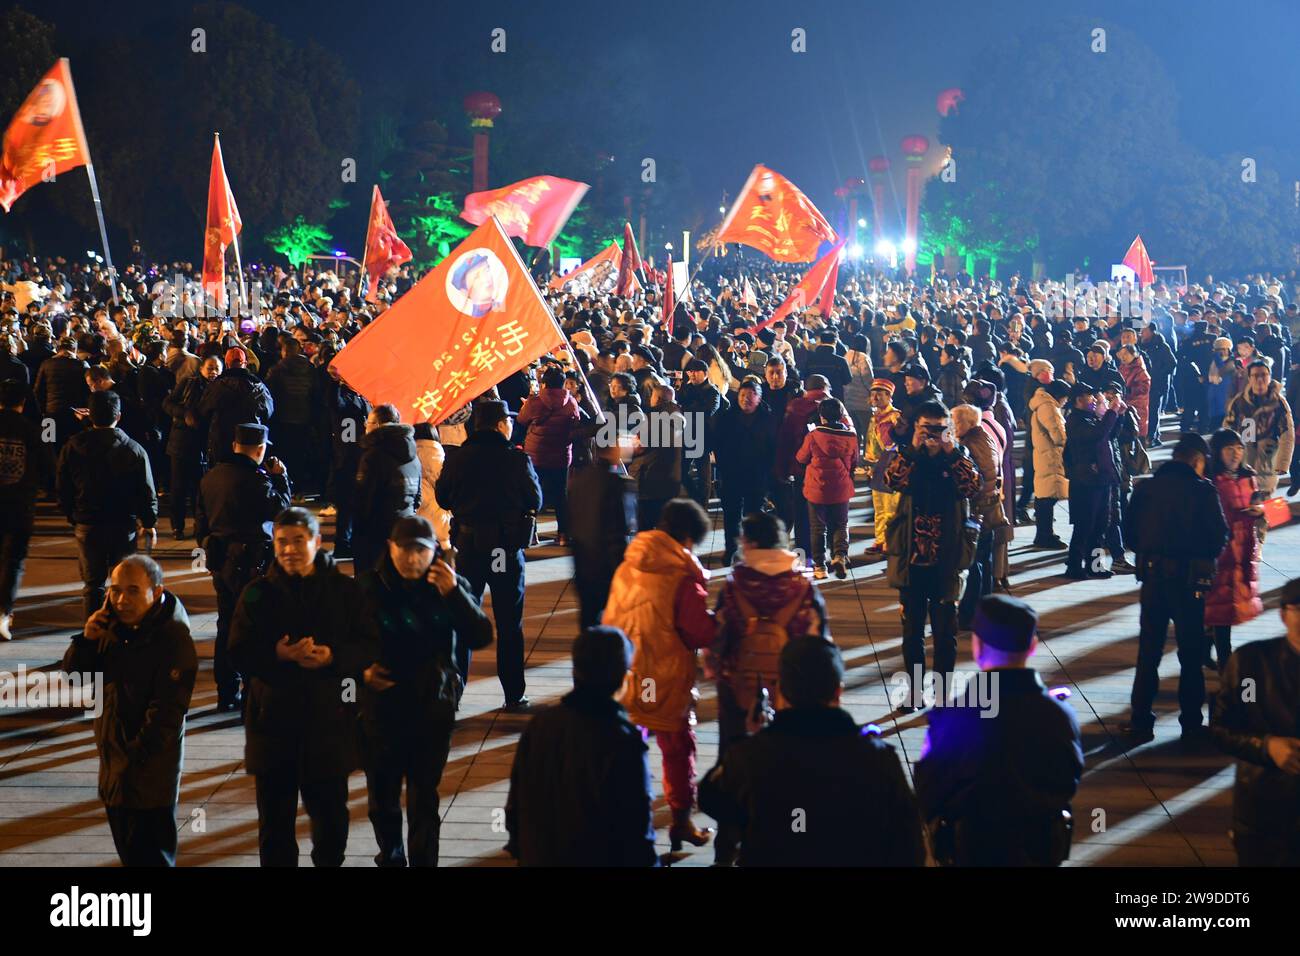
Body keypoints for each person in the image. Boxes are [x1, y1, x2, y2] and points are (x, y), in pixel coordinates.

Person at [228, 507, 379, 867]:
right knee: (275, 827)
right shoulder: (258, 593)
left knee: (330, 821)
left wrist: (332, 657)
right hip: (272, 725)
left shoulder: (345, 590)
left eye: (298, 541)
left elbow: (370, 645)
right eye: (282, 542)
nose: (290, 549)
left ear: (317, 542)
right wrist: (275, 654)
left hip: (328, 723)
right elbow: (236, 651)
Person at [699, 636, 925, 867]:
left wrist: (746, 739)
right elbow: (908, 844)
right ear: (838, 692)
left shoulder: (751, 757)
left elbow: (711, 798)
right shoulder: (878, 759)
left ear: (782, 691)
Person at [357, 516, 493, 867]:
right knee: (382, 798)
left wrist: (455, 594)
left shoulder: (448, 585)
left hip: (431, 707)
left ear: (434, 551)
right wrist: (361, 672)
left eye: (422, 551)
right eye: (406, 550)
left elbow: (480, 635)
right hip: (382, 708)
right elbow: (343, 641)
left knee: (423, 797)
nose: (413, 559)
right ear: (391, 548)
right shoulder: (368, 587)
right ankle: (391, 854)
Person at [915, 594, 1084, 866]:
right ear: (1032, 646)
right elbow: (1066, 782)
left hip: (973, 847)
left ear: (977, 646)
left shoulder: (955, 715)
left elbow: (930, 791)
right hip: (1038, 849)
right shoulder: (1059, 715)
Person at [707, 511, 828, 864]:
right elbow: (821, 643)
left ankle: (726, 850)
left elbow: (718, 639)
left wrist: (716, 669)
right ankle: (786, 843)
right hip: (791, 694)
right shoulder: (803, 587)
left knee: (732, 767)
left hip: (740, 691)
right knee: (789, 771)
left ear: (751, 543)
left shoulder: (735, 585)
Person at [60, 555, 197, 866]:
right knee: (130, 854)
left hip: (148, 775)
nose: (121, 599)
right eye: (115, 590)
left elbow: (166, 714)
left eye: (133, 590)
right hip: (114, 769)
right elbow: (74, 677)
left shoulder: (172, 639)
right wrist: (86, 641)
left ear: (157, 593)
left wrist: (132, 756)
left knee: (151, 857)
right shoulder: (111, 629)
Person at [602, 498, 716, 851]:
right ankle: (680, 821)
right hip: (664, 676)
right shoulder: (681, 577)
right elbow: (700, 632)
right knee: (678, 749)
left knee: (626, 746)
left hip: (626, 672)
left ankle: (622, 816)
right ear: (686, 536)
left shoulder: (629, 564)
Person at [505, 626, 658, 867]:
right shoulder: (623, 740)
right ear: (622, 679)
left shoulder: (541, 725)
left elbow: (516, 802)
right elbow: (636, 830)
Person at [435, 400, 542, 711]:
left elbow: (443, 498)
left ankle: (455, 690)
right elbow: (535, 498)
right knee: (510, 623)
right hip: (505, 549)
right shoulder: (515, 459)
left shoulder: (458, 458)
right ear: (499, 425)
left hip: (468, 546)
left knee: (464, 616)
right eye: (507, 421)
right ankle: (513, 693)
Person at [1122, 434, 1229, 742]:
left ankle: (1141, 720)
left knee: (1149, 652)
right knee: (1191, 654)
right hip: (1190, 583)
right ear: (1197, 461)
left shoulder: (1146, 489)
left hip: (1153, 579)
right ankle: (1192, 723)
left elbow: (1128, 534)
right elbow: (1219, 537)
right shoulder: (1204, 491)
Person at [882, 400, 981, 710]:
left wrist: (952, 452)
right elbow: (891, 480)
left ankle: (941, 695)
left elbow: (972, 485)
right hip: (911, 559)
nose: (934, 436)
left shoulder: (958, 459)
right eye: (928, 429)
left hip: (947, 560)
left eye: (940, 429)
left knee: (945, 633)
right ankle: (912, 694)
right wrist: (911, 449)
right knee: (911, 633)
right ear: (916, 429)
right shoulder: (907, 457)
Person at [195, 422, 292, 712]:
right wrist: (282, 479)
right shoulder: (256, 481)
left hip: (220, 559)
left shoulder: (211, 476)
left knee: (225, 624)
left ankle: (225, 690)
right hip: (251, 561)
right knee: (253, 624)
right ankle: (250, 687)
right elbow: (282, 511)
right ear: (260, 449)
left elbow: (200, 521)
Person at [1210, 577, 1300, 866]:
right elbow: (1222, 728)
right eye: (1299, 609)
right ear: (1284, 614)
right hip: (1264, 807)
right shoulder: (1252, 662)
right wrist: (1266, 746)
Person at [56, 390, 158, 622]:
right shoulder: (133, 449)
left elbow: (62, 486)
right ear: (118, 416)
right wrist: (148, 521)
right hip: (123, 523)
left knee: (93, 583)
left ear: (90, 416)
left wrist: (72, 513)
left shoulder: (73, 446)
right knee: (122, 580)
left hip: (88, 520)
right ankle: (119, 628)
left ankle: (94, 630)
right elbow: (146, 490)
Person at [1202, 429, 1265, 670]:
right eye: (1229, 449)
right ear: (1218, 453)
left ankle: (1204, 649)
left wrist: (1260, 512)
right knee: (1221, 608)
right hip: (1220, 551)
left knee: (1226, 608)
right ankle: (1225, 661)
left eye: (1239, 448)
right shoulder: (1211, 480)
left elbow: (1258, 505)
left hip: (1244, 549)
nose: (1235, 454)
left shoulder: (1249, 476)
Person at [0, 379, 53, 640]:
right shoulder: (32, 431)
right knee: (13, 562)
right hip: (19, 505)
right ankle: (3, 613)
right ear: (23, 402)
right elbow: (47, 466)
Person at [567, 438, 637, 628]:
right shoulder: (618, 484)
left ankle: (587, 653)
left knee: (588, 616)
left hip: (583, 560)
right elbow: (622, 528)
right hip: (608, 564)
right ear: (614, 451)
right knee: (614, 619)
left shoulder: (580, 480)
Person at [713, 378, 777, 564]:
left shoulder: (767, 419)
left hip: (757, 476)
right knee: (731, 516)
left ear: (758, 398)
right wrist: (723, 468)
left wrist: (768, 472)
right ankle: (731, 549)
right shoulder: (727, 417)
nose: (746, 399)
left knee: (754, 516)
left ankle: (753, 551)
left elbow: (773, 447)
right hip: (732, 474)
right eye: (742, 395)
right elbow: (719, 444)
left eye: (751, 396)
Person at [351, 403, 421, 572]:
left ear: (378, 425)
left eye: (368, 422)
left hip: (375, 534)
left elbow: (363, 499)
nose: (365, 426)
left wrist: (358, 532)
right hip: (404, 530)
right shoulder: (413, 455)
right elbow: (418, 498)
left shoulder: (374, 455)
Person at [1061, 383, 1121, 579]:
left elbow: (1108, 435)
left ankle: (1094, 566)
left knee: (1100, 525)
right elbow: (1096, 436)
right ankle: (1075, 567)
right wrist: (1111, 413)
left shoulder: (1091, 418)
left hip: (1101, 479)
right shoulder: (1075, 421)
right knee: (1084, 526)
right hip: (1085, 481)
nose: (1094, 400)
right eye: (1090, 396)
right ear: (1079, 400)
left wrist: (1117, 415)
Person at [517, 364, 581, 545]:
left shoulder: (534, 402)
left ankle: (532, 533)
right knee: (561, 495)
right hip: (561, 455)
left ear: (544, 384)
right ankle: (563, 534)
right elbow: (576, 422)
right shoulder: (570, 402)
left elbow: (521, 420)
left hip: (535, 454)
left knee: (532, 493)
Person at [952, 404, 1005, 626]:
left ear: (969, 423)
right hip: (989, 508)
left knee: (973, 563)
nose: (952, 426)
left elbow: (975, 482)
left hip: (977, 511)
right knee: (984, 559)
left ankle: (969, 613)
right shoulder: (984, 436)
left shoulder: (970, 444)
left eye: (956, 422)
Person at [795, 397, 857, 579]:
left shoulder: (813, 436)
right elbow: (854, 462)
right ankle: (839, 555)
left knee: (817, 528)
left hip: (817, 487)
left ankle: (820, 567)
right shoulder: (851, 436)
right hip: (840, 487)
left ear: (821, 416)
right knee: (840, 524)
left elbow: (801, 457)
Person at [161, 353, 220, 539]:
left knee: (200, 489)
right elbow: (167, 403)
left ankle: (200, 525)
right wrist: (184, 414)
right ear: (201, 368)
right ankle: (177, 526)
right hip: (181, 444)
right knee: (178, 488)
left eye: (217, 368)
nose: (214, 372)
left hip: (204, 447)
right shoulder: (189, 383)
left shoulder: (220, 388)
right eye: (210, 368)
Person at [1222, 359, 1294, 495]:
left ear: (1269, 376)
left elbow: (1287, 434)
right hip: (1242, 459)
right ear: (1249, 378)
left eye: (1264, 375)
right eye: (1255, 375)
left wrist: (1283, 463)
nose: (1260, 379)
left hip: (1267, 459)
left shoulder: (1279, 403)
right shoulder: (1239, 401)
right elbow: (1227, 429)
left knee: (1264, 501)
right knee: (1243, 500)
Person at [198, 346, 274, 466]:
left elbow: (203, 411)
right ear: (245, 364)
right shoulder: (259, 387)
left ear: (227, 364)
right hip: (249, 444)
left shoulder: (216, 386)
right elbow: (268, 413)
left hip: (221, 443)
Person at [1028, 379, 1071, 549]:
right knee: (1047, 497)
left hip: (1045, 454)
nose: (1066, 401)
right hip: (1050, 456)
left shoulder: (1044, 404)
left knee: (1046, 495)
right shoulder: (1049, 408)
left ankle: (1044, 533)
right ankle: (1044, 535)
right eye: (1066, 398)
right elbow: (1059, 436)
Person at [864, 378, 900, 557]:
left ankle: (889, 542)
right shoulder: (874, 417)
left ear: (889, 396)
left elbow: (895, 444)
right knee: (879, 506)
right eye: (873, 394)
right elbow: (870, 443)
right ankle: (879, 540)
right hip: (877, 467)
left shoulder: (896, 417)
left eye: (879, 394)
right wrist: (869, 465)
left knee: (890, 508)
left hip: (891, 466)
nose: (875, 397)